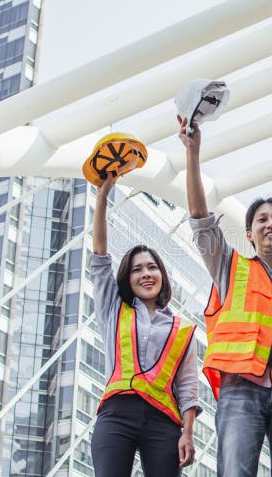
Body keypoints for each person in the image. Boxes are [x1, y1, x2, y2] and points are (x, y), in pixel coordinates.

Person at [179, 116, 272, 477]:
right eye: (262, 219)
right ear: (249, 234)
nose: (270, 224)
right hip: (241, 390)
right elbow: (200, 217)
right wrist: (193, 153)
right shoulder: (229, 268)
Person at [89, 175, 200, 477]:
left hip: (164, 422)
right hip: (116, 415)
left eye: (152, 267)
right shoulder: (114, 309)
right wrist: (102, 198)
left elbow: (188, 387)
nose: (146, 274)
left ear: (162, 275)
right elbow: (99, 257)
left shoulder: (183, 329)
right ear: (127, 278)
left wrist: (188, 433)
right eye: (137, 269)